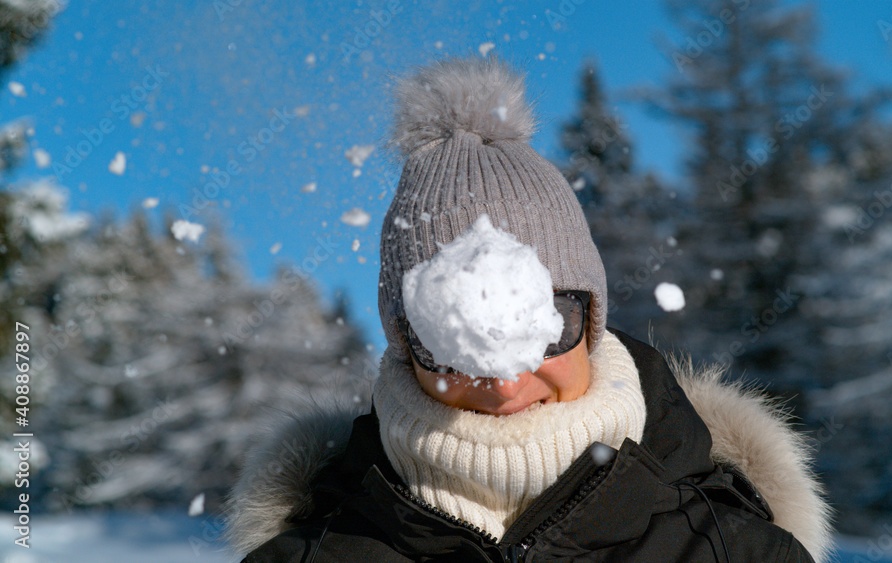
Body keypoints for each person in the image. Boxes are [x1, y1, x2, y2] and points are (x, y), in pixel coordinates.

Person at [225, 55, 833, 562]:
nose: (506, 379)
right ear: (405, 343)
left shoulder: (735, 549)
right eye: (451, 338)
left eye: (545, 324)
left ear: (590, 319)